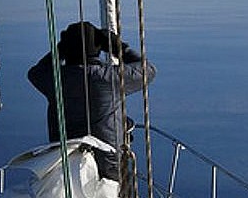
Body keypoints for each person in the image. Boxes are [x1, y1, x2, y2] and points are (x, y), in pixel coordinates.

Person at [27, 21, 156, 182]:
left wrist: (60, 50)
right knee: (121, 186)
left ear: (67, 50)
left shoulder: (54, 80)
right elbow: (148, 70)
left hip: (63, 161)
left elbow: (34, 73)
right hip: (108, 163)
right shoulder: (110, 78)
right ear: (97, 49)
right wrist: (119, 48)